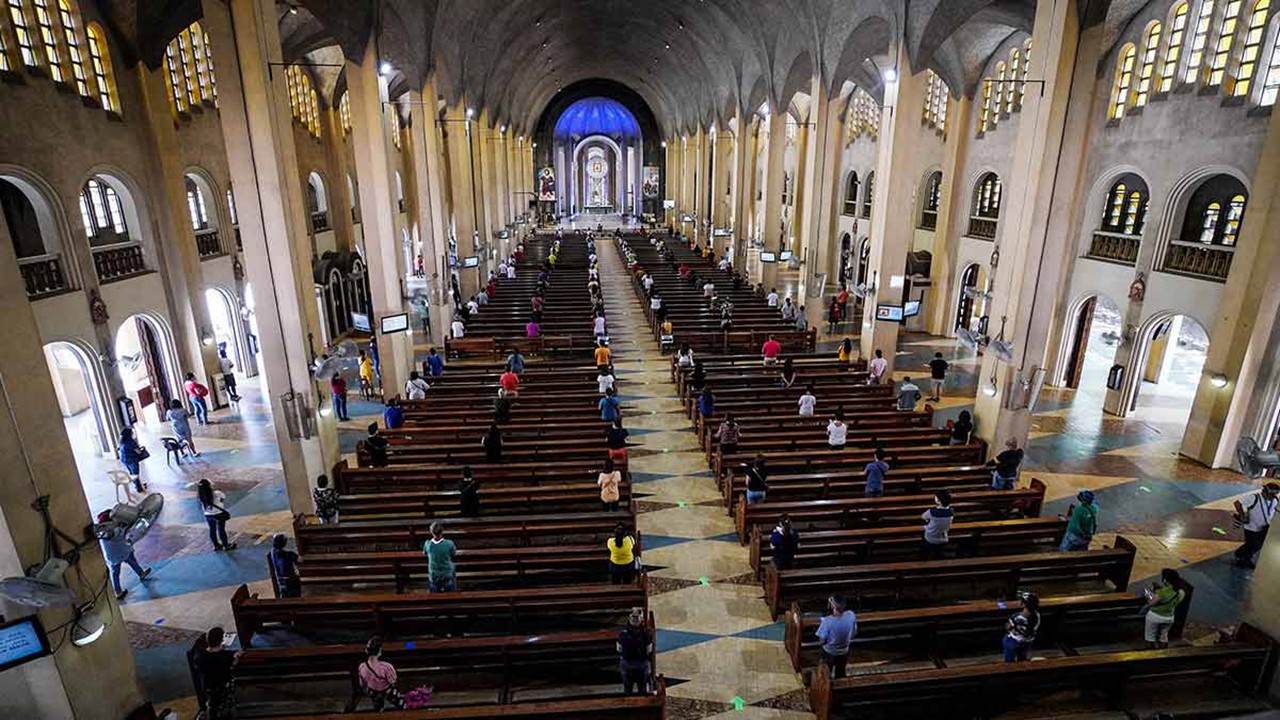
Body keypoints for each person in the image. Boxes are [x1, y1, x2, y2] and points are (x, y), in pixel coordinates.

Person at [98, 510, 152, 600]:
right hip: (122, 551)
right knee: (131, 561)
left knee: (115, 572)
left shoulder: (101, 532)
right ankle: (140, 574)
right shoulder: (115, 530)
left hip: (112, 555)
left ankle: (118, 591)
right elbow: (124, 534)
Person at [194, 627, 238, 719]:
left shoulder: (199, 657)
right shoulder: (226, 656)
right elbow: (234, 662)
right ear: (222, 640)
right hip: (224, 688)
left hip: (208, 689)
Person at [1233, 482, 1278, 568]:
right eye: (1270, 495)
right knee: (1253, 544)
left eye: (1273, 495)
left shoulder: (1275, 500)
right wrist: (1242, 515)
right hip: (1251, 527)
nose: (1272, 498)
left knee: (1258, 545)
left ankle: (1244, 557)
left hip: (1265, 527)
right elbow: (1237, 503)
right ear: (1264, 492)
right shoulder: (1254, 498)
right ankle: (1240, 556)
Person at [356, 635, 404, 711]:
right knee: (401, 705)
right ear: (379, 651)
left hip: (373, 691)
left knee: (378, 709)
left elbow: (361, 683)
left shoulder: (362, 667)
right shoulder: (386, 667)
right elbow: (393, 680)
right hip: (387, 690)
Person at [816, 595, 857, 678]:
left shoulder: (827, 621)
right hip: (844, 651)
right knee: (841, 672)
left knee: (826, 673)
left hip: (829, 652)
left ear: (832, 606)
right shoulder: (851, 615)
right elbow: (854, 633)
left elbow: (822, 641)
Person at [617, 608, 653, 695]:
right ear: (641, 621)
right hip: (641, 665)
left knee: (628, 688)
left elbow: (618, 649)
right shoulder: (646, 635)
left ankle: (628, 702)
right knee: (642, 688)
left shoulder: (622, 634)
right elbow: (649, 650)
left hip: (627, 664)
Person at [197, 478, 236, 551]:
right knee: (221, 529)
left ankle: (216, 545)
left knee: (212, 530)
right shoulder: (217, 493)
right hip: (218, 514)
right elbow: (223, 498)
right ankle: (226, 545)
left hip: (208, 515)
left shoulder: (201, 496)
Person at [1003, 592, 1041, 662]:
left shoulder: (1016, 617)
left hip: (1014, 641)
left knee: (1009, 661)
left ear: (1023, 604)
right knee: (1022, 657)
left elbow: (1007, 627)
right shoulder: (1037, 615)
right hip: (1027, 641)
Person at [423, 522, 457, 592]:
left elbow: (425, 553)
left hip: (434, 574)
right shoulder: (449, 543)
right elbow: (453, 553)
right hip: (447, 572)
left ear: (431, 532)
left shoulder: (428, 544)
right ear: (442, 531)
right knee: (450, 593)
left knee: (434, 593)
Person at [921, 489, 954, 559]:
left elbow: (923, 516)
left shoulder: (932, 512)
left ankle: (924, 556)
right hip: (943, 537)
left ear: (938, 501)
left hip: (931, 538)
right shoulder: (951, 511)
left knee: (924, 530)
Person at [269, 533, 302, 598]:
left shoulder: (272, 552)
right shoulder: (290, 555)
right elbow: (300, 560)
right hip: (291, 582)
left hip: (281, 582)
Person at [117, 427, 147, 492]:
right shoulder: (131, 442)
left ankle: (138, 484)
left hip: (124, 460)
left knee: (131, 473)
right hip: (132, 459)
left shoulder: (121, 442)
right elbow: (138, 451)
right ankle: (139, 487)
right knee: (135, 474)